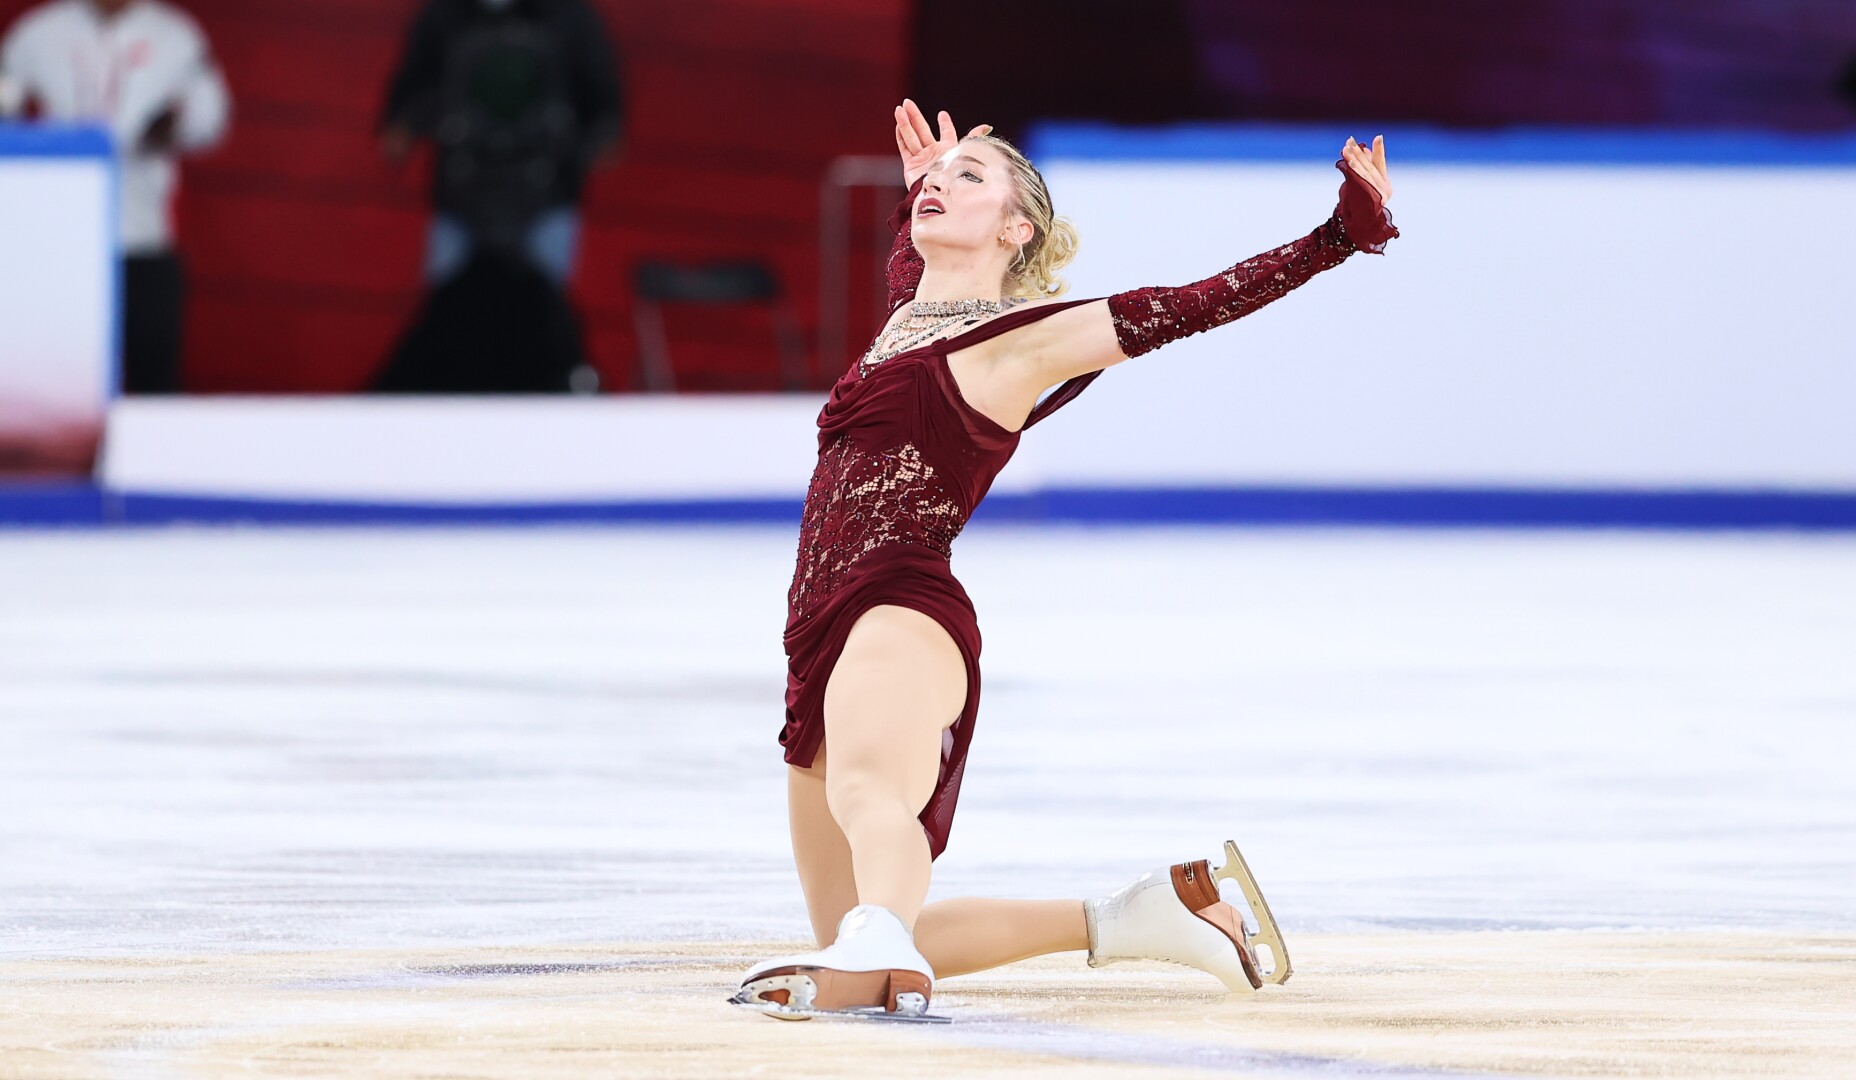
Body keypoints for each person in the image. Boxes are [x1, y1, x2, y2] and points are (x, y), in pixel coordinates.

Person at [734, 99, 1399, 1019]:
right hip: (815, 638)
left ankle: (884, 938)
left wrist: (1337, 237)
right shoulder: (909, 320)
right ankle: (1147, 916)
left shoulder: (1019, 346)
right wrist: (914, 200)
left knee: (867, 791)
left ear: (1018, 228)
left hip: (899, 606)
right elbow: (919, 289)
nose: (938, 184)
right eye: (937, 175)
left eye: (970, 178)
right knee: (858, 923)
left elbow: (1189, 306)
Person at [0, 0, 229, 395]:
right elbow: (7, 93)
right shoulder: (41, 30)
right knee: (55, 378)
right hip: (56, 240)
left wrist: (179, 122)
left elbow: (211, 114)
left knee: (152, 378)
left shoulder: (173, 34)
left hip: (143, 234)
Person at [379, 0, 622, 289]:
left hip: (547, 197)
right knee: (451, 314)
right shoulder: (446, 12)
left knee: (542, 316)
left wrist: (602, 137)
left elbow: (603, 98)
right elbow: (413, 85)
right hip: (461, 199)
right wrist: (404, 124)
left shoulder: (571, 15)